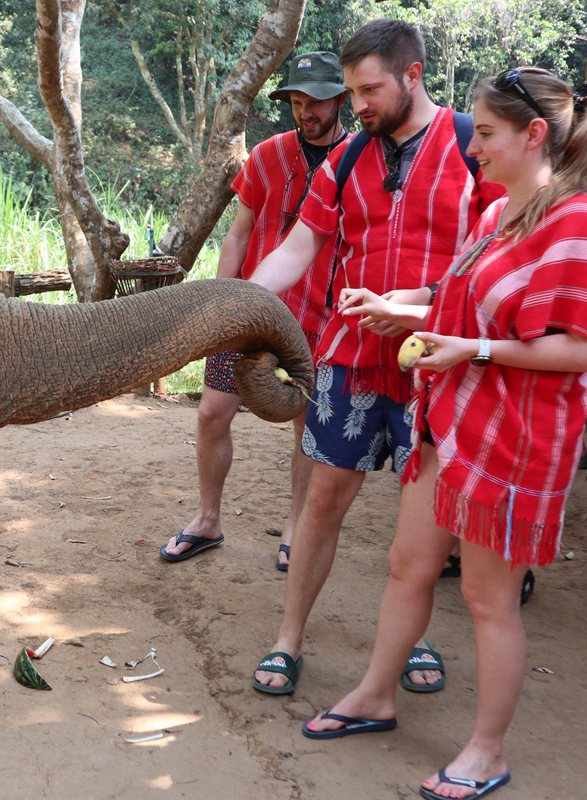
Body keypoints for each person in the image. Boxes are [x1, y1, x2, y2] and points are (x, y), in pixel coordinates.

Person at [303, 67, 587, 800]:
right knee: (408, 563)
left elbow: (577, 346)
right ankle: (375, 693)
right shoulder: (499, 217)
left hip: (512, 438)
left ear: (533, 136)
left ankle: (486, 752)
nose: (473, 147)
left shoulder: (572, 224)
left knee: (490, 599)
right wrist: (396, 303)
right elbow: (452, 293)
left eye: (486, 135)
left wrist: (476, 350)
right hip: (450, 421)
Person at [245, 19, 505, 695]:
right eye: (353, 90)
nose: (355, 103)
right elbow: (301, 246)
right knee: (323, 500)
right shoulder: (348, 158)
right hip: (351, 355)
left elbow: (502, 254)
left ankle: (410, 639)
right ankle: (287, 637)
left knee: (421, 517)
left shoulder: (470, 144)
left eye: (368, 89)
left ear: (411, 76)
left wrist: (419, 305)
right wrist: (238, 300)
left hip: (441, 362)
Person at [160, 52, 349, 571]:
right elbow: (239, 232)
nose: (305, 110)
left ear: (341, 97)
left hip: (319, 318)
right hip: (248, 315)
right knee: (210, 412)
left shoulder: (359, 159)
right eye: (296, 100)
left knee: (305, 425)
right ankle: (207, 519)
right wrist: (223, 300)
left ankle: (295, 526)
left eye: (315, 101)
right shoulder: (268, 155)